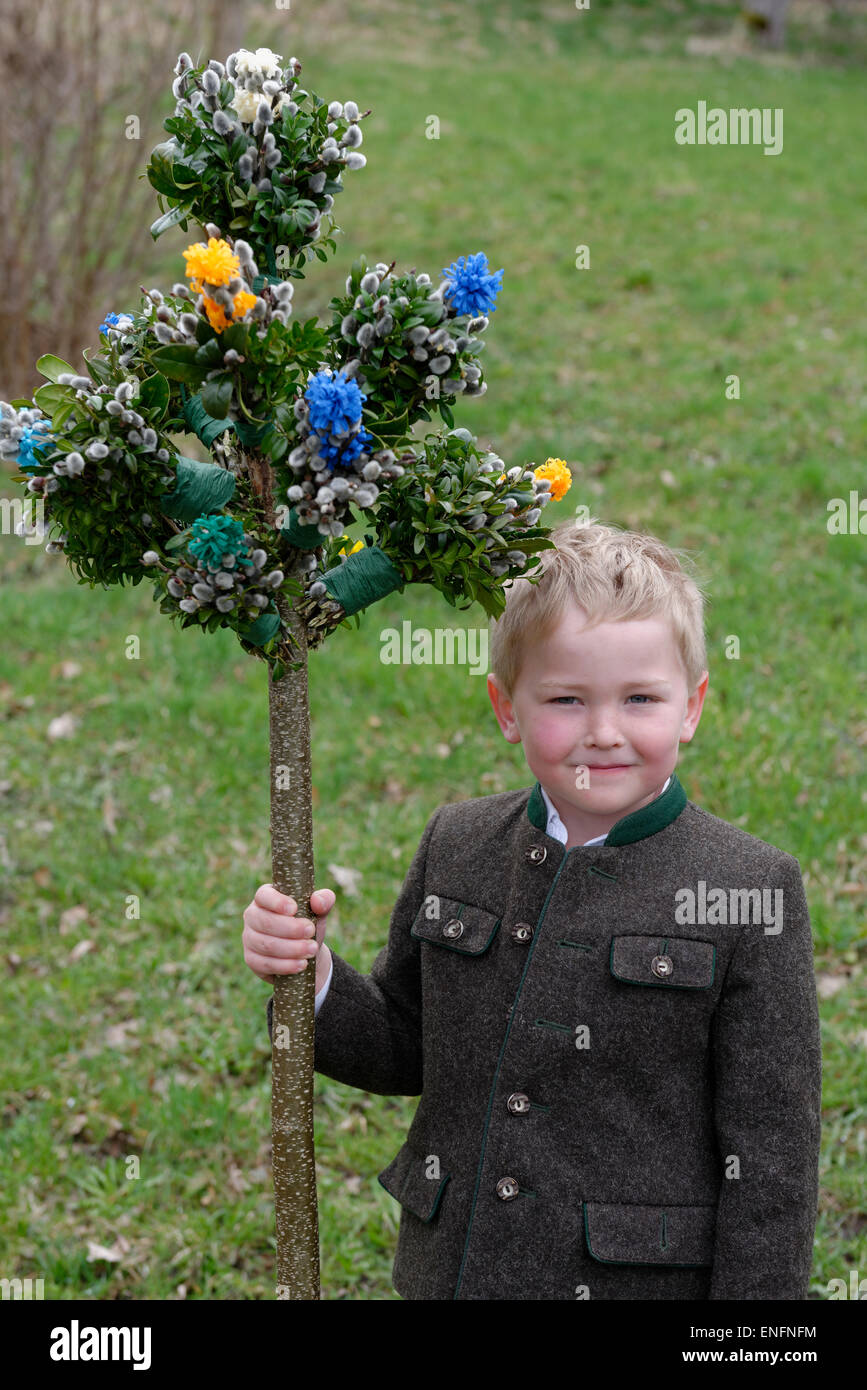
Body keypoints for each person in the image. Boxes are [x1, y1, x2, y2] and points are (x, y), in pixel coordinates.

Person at [241, 518, 822, 1300]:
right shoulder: (459, 843)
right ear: (506, 707)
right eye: (566, 700)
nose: (604, 732)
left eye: (640, 698)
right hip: (455, 1276)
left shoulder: (749, 888)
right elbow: (406, 1045)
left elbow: (773, 1159)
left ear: (691, 706)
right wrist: (310, 977)